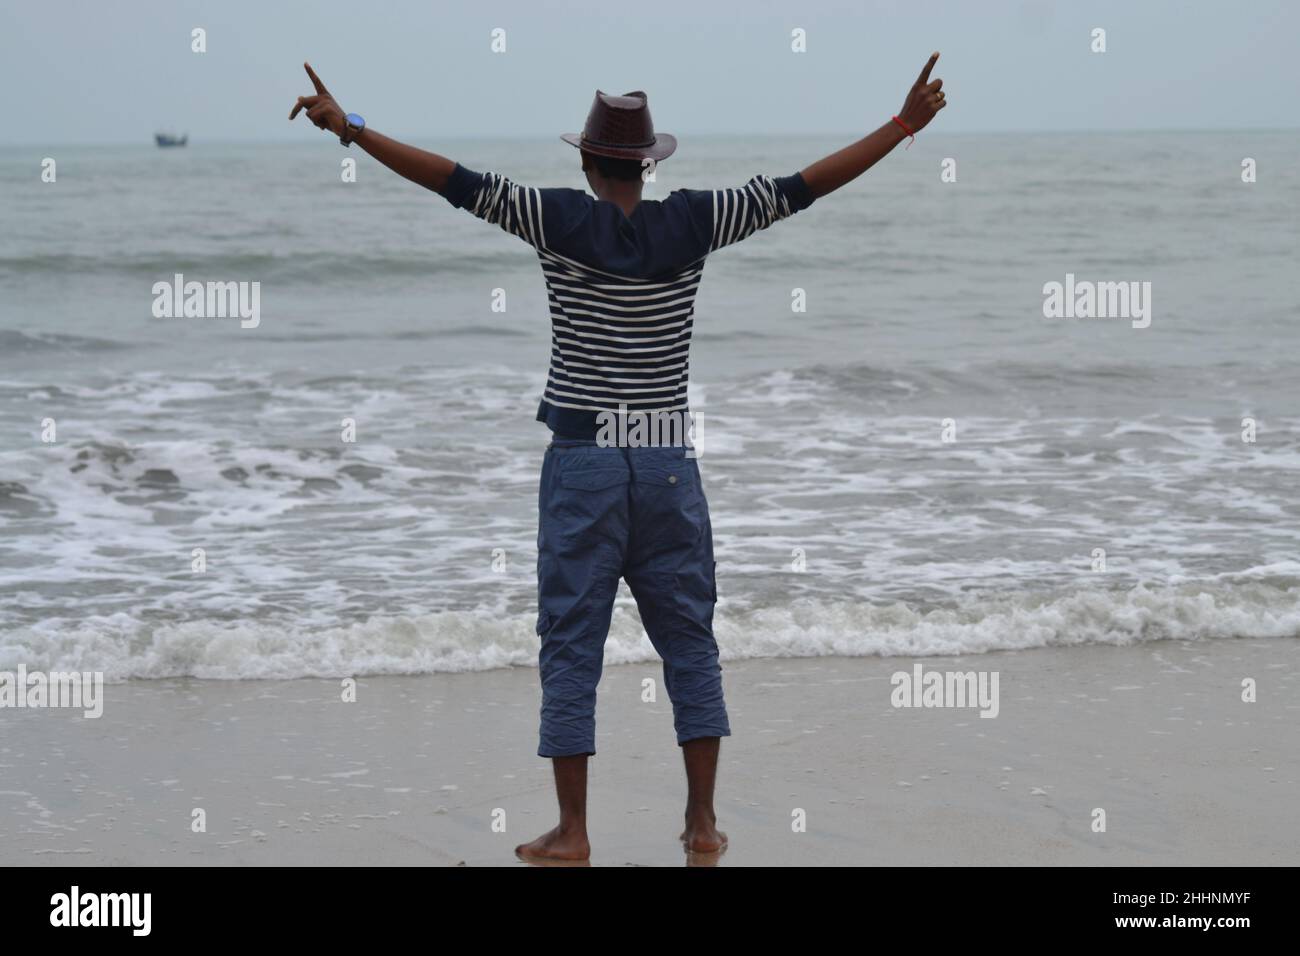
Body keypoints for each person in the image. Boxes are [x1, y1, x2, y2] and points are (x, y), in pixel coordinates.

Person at [290, 55, 947, 862]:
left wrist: (351, 127)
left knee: (572, 645)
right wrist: (903, 126)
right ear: (648, 164)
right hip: (668, 463)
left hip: (586, 463)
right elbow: (805, 186)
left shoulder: (556, 217)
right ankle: (702, 823)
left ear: (586, 161)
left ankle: (573, 832)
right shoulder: (696, 221)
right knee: (690, 644)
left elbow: (449, 181)